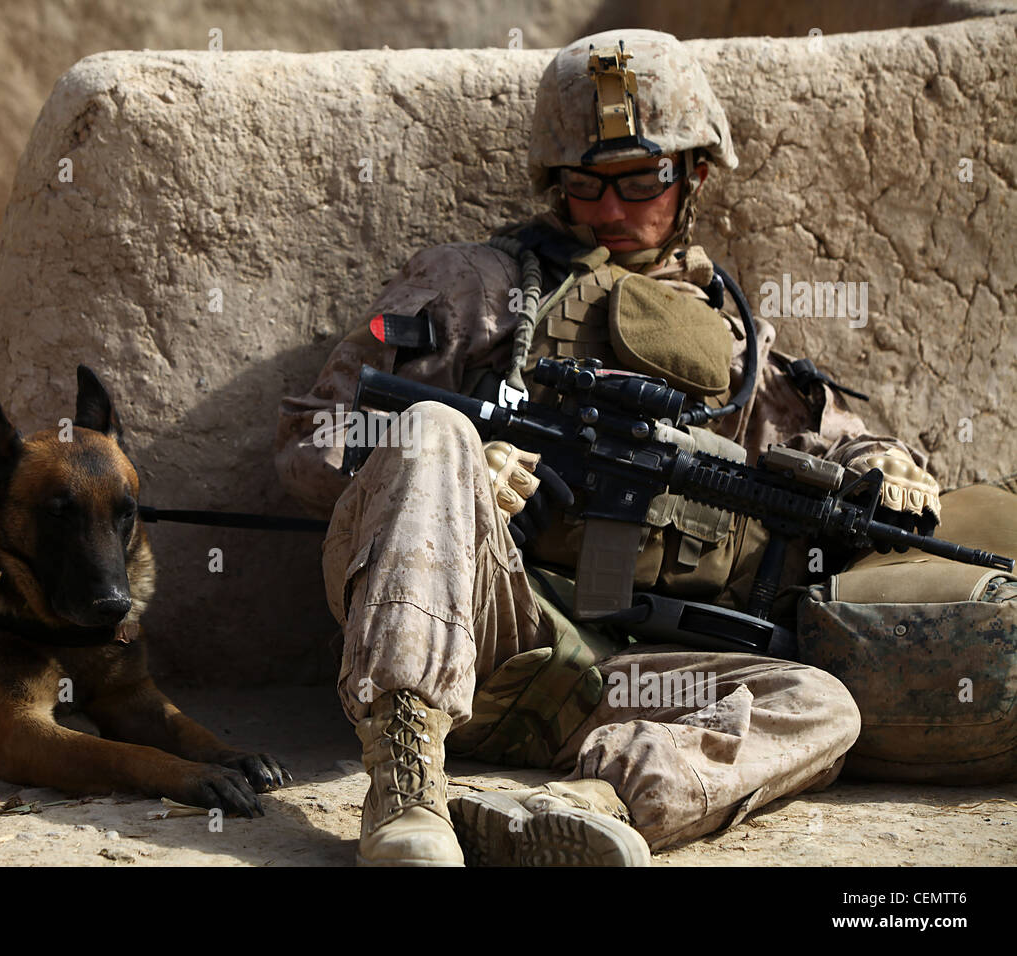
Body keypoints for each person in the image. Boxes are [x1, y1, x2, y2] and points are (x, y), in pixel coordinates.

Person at [274, 29, 1016, 866]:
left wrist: (880, 461)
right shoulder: (474, 287)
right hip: (480, 630)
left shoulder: (732, 344)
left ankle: (591, 806)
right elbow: (311, 435)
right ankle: (406, 786)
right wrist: (449, 468)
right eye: (585, 186)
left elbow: (821, 447)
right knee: (435, 429)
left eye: (640, 182)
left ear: (693, 173)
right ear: (555, 184)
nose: (611, 211)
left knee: (822, 705)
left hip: (607, 682)